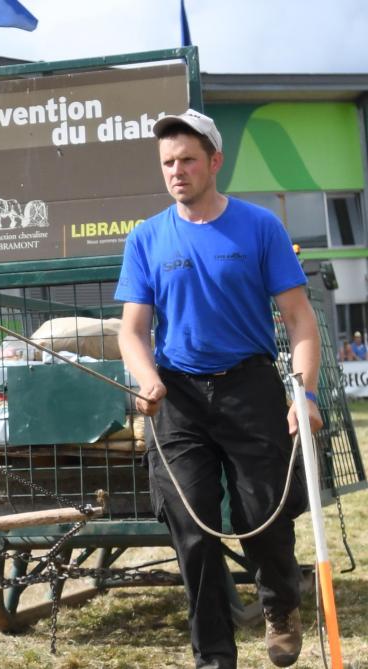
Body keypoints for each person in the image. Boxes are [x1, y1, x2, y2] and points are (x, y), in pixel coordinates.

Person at [115, 109, 320, 669]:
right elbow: (132, 331)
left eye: (186, 160)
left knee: (263, 516)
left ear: (214, 162)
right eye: (167, 163)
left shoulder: (260, 228)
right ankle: (214, 657)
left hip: (249, 387)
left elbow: (301, 319)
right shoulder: (147, 237)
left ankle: (280, 605)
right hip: (177, 398)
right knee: (193, 530)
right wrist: (148, 378)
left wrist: (304, 393)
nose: (176, 171)